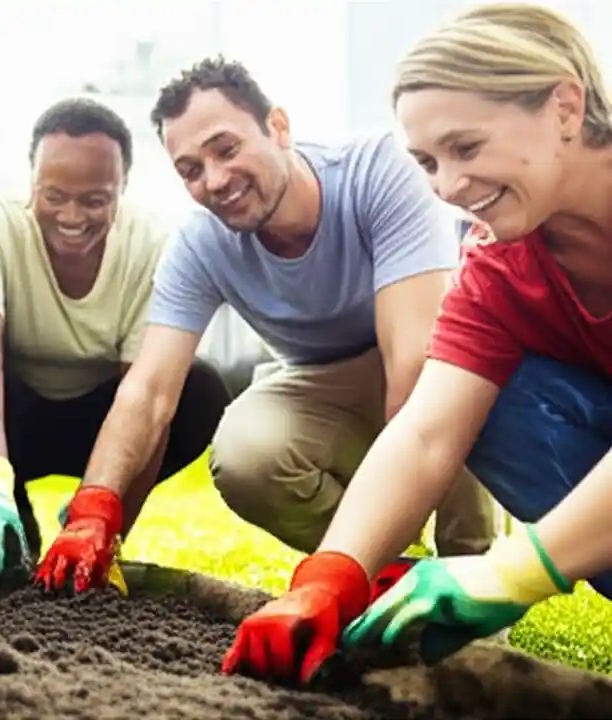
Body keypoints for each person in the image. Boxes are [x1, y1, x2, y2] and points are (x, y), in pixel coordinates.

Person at [226, 2, 612, 684]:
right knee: (488, 400)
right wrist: (330, 577)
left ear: (564, 107)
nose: (449, 187)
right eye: (428, 161)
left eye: (466, 148)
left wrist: (518, 570)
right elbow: (428, 432)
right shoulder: (498, 264)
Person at [35, 58, 499, 594]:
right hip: (325, 383)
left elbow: (414, 359)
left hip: (429, 361)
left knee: (447, 375)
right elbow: (149, 388)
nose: (215, 180)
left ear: (277, 128)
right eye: (190, 170)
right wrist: (95, 510)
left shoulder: (378, 172)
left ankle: (471, 580)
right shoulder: (200, 243)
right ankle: (390, 571)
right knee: (245, 453)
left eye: (226, 149)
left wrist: (399, 499)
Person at [0, 97, 231, 589]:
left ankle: (87, 536)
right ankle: (13, 527)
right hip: (11, 421)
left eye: (95, 200)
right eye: (53, 195)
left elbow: (146, 397)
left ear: (122, 189)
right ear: (31, 179)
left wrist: (104, 519)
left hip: (105, 423)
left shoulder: (154, 248)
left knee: (196, 388)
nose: (71, 216)